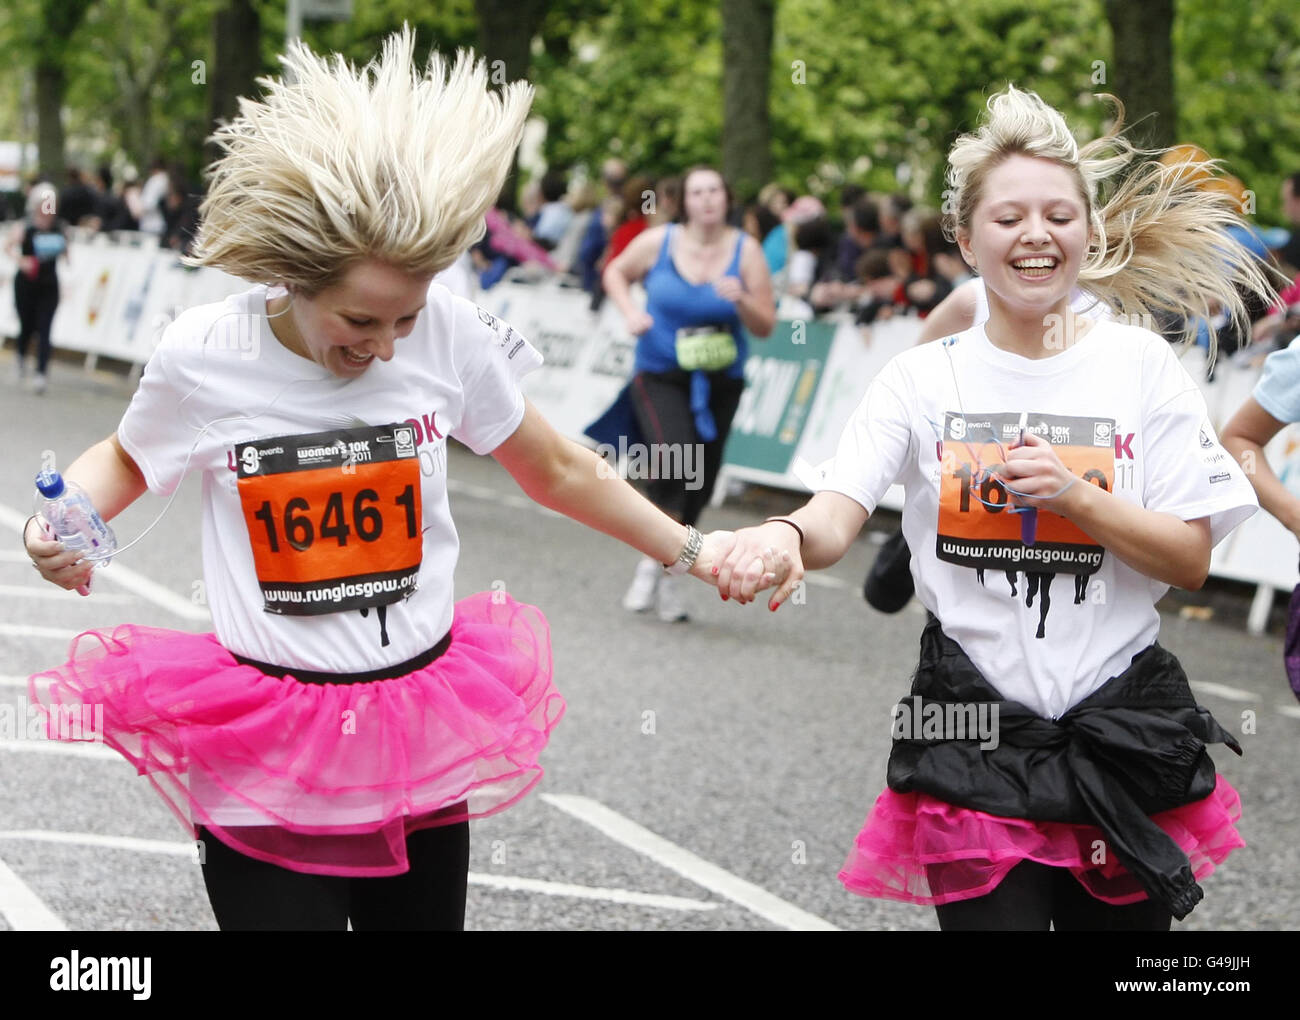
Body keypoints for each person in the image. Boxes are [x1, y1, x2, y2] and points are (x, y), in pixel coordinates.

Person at [23, 30, 731, 932]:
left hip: (414, 723)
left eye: (408, 315)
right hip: (263, 736)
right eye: (360, 319)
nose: (387, 344)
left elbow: (555, 468)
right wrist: (66, 520)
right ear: (293, 276)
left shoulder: (452, 337)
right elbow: (125, 457)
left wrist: (699, 551)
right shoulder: (209, 354)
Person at [713, 86, 1277, 930]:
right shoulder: (922, 377)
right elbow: (837, 508)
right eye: (1009, 217)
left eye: (1059, 215)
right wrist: (783, 535)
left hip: (1120, 721)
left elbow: (1190, 558)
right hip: (971, 723)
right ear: (965, 236)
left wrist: (1078, 496)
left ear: (1089, 230)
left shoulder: (1141, 367)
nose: (1037, 236)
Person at [594, 165, 775, 622]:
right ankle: (651, 563)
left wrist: (742, 299)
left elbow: (766, 325)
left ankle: (667, 572)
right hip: (661, 372)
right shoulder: (660, 241)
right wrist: (631, 311)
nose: (708, 199)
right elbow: (614, 272)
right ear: (684, 201)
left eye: (716, 190)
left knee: (700, 480)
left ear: (727, 198)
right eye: (698, 192)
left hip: (719, 381)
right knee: (678, 455)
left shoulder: (746, 250)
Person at [6, 182, 69, 395]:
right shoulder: (26, 226)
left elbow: (67, 253)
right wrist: (21, 261)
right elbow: (8, 246)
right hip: (26, 284)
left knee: (45, 328)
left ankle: (41, 372)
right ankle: (21, 355)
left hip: (48, 285)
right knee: (27, 325)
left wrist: (64, 251)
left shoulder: (59, 228)